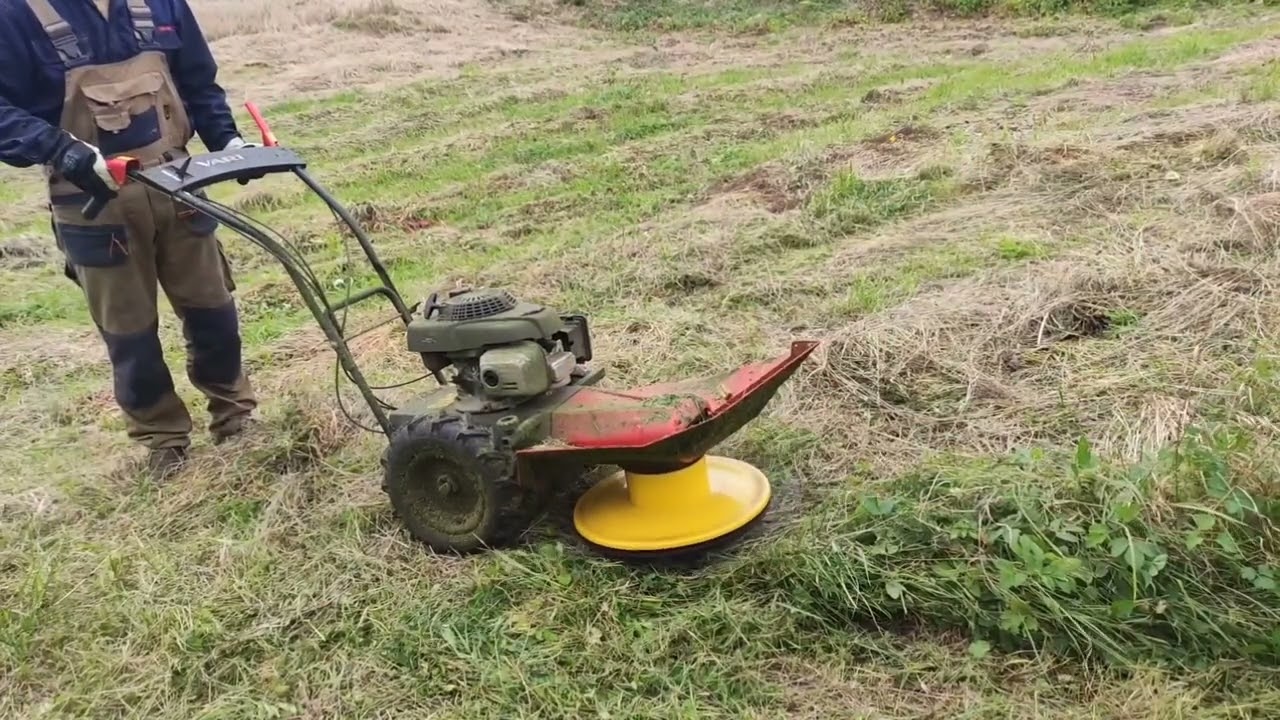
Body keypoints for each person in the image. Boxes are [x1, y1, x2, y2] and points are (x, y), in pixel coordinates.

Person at [0, 0, 258, 480]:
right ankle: (162, 440)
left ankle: (235, 416)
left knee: (214, 311)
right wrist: (61, 149)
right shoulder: (15, 15)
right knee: (130, 334)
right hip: (92, 201)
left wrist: (227, 141)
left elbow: (197, 81)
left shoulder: (160, 4)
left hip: (179, 185)